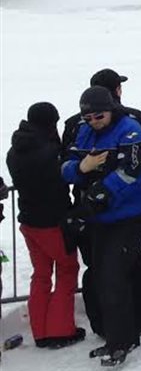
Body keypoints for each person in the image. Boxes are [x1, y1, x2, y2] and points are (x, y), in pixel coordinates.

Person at [60, 68, 141, 341]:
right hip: (92, 213)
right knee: (104, 273)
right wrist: (82, 168)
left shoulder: (131, 125)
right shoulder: (80, 127)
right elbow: (65, 164)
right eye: (89, 117)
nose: (93, 122)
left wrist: (102, 190)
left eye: (98, 116)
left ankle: (126, 330)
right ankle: (114, 328)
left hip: (123, 211)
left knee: (115, 272)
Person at [7, 102, 83, 349]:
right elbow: (66, 176)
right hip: (53, 222)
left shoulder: (14, 150)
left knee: (40, 275)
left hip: (29, 222)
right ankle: (60, 331)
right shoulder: (50, 152)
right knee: (66, 271)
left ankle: (39, 331)